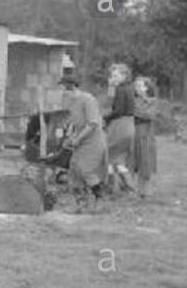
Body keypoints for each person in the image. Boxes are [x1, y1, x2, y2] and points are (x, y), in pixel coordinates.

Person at [60, 70, 106, 210]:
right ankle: (81, 203)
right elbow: (74, 123)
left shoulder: (88, 100)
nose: (63, 94)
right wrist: (69, 137)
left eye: (65, 90)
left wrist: (78, 138)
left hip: (93, 140)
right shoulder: (70, 102)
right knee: (74, 170)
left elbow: (92, 124)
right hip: (80, 140)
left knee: (85, 170)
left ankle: (100, 198)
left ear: (72, 87)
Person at [104, 63, 137, 192]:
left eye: (116, 75)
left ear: (124, 75)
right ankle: (128, 187)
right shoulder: (130, 88)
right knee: (119, 159)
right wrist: (111, 86)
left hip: (119, 125)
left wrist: (105, 118)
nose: (113, 78)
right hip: (129, 124)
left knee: (109, 156)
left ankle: (111, 187)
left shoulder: (120, 89)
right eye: (112, 76)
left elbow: (117, 110)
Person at [131, 73, 158, 197]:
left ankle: (146, 190)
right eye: (136, 86)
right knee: (136, 160)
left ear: (147, 88)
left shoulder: (152, 101)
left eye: (140, 86)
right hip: (134, 132)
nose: (137, 88)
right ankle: (138, 189)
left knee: (146, 160)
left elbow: (150, 115)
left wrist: (135, 111)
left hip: (146, 133)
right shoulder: (133, 100)